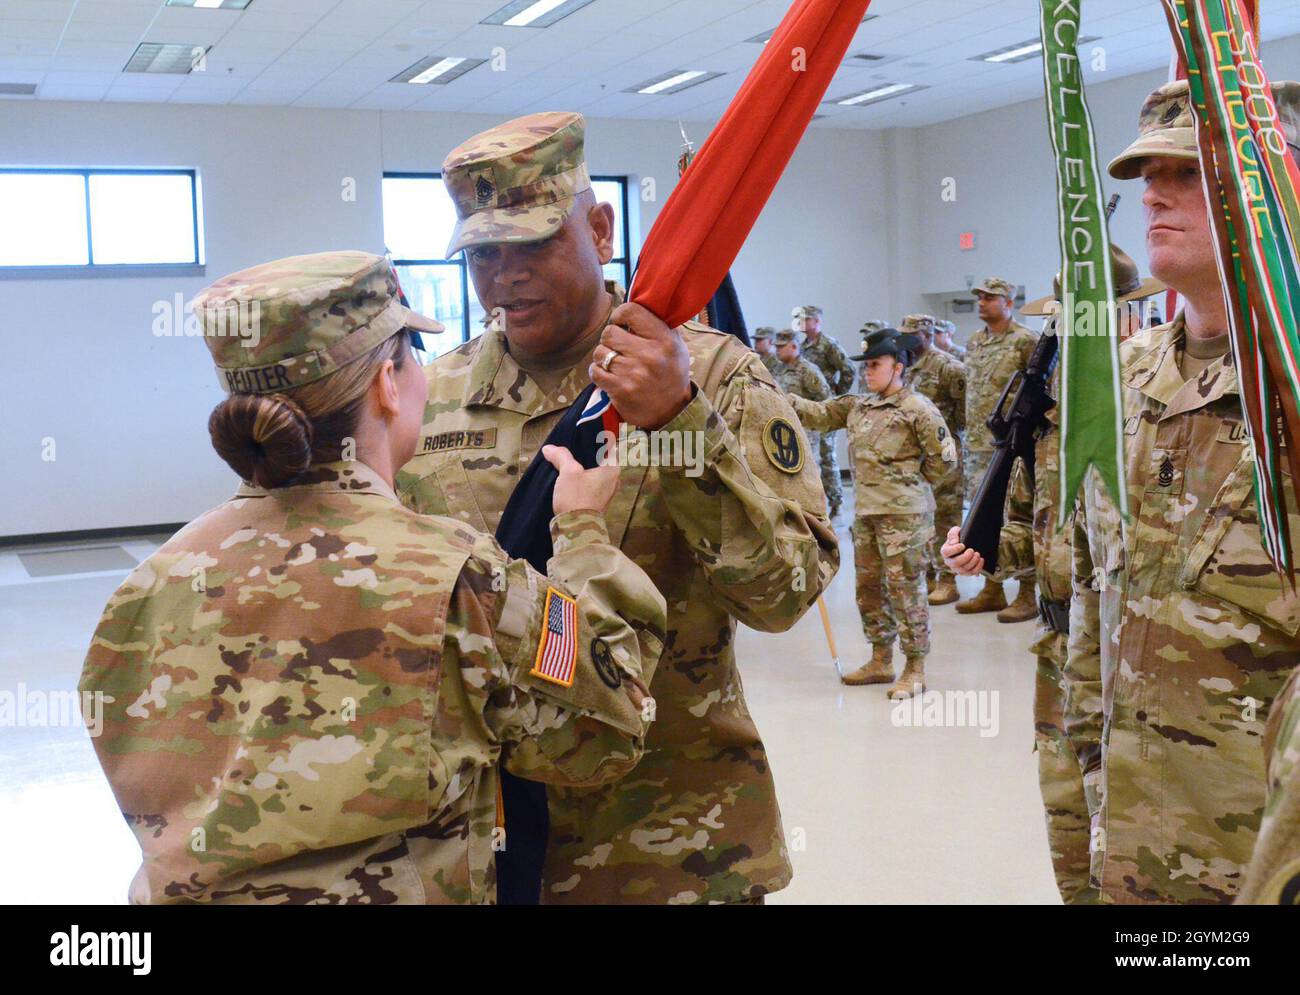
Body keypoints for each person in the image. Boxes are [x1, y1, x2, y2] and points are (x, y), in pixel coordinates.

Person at [78, 250, 667, 905]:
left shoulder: (145, 590)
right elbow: (611, 724)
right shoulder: (453, 576)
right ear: (389, 381)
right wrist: (583, 532)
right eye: (414, 355)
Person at [397, 112, 839, 905]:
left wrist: (680, 421)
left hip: (674, 844)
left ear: (600, 230)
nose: (505, 278)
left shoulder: (709, 375)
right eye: (484, 253)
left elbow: (787, 594)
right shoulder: (437, 399)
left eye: (534, 244)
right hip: (485, 850)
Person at [1063, 79, 1300, 903]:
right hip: (1130, 848)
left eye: (1190, 171)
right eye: (1144, 176)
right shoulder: (1120, 383)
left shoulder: (1295, 394)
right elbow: (1092, 621)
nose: (1153, 194)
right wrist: (1076, 830)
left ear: (1276, 193)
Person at [787, 329, 957, 698]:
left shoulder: (918, 409)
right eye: (865, 366)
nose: (867, 372)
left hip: (905, 519)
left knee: (906, 590)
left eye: (875, 365)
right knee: (868, 590)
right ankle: (881, 659)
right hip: (865, 514)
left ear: (898, 367)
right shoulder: (857, 406)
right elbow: (817, 414)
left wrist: (909, 484)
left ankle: (915, 667)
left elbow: (945, 459)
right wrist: (779, 398)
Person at [957, 277, 1039, 621]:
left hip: (1015, 445)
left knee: (1018, 518)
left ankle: (1026, 592)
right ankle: (991, 587)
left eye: (990, 297)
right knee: (983, 517)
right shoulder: (975, 341)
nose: (982, 303)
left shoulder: (1025, 340)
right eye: (979, 297)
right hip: (979, 443)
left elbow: (1038, 391)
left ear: (1009, 302)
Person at [899, 314, 966, 607]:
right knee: (921, 517)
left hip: (945, 453)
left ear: (926, 334)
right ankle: (925, 575)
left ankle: (948, 580)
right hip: (917, 456)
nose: (906, 340)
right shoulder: (908, 367)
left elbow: (966, 414)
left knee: (946, 518)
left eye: (911, 335)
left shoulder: (949, 368)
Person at [793, 305, 854, 519]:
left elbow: (848, 369)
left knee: (828, 457)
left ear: (817, 321)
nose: (802, 323)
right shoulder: (803, 345)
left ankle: (836, 501)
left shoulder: (828, 344)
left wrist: (837, 395)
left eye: (806, 319)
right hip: (809, 411)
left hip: (826, 408)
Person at [772, 327, 832, 458]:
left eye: (781, 347)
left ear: (794, 346)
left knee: (809, 472)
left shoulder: (807, 370)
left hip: (806, 433)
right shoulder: (778, 369)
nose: (777, 350)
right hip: (784, 430)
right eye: (776, 347)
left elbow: (825, 400)